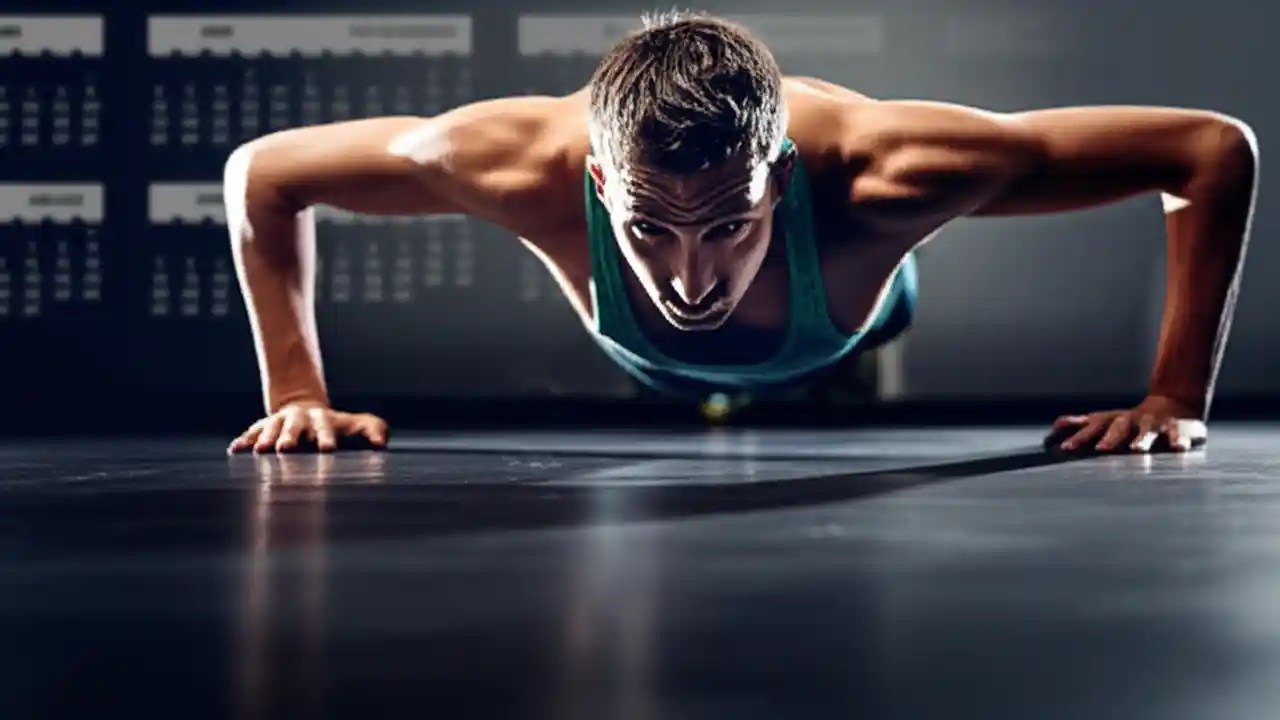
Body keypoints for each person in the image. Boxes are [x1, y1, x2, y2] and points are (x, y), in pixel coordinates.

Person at [224, 11, 1257, 455]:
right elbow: (262, 176)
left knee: (868, 310)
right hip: (648, 363)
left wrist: (1174, 398)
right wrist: (297, 396)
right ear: (597, 183)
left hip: (855, 316)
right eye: (648, 228)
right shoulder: (514, 166)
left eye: (726, 224)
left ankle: (834, 334)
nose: (689, 278)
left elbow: (1210, 151)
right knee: (682, 334)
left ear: (779, 177)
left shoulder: (888, 173)